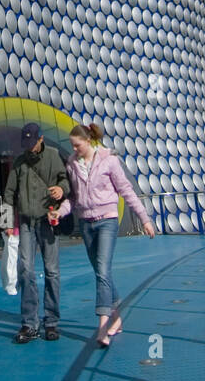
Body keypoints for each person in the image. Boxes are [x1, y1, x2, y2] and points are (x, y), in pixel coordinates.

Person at [55, 123, 155, 347]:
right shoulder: (72, 164)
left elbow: (127, 191)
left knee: (101, 271)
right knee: (103, 273)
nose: (74, 150)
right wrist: (60, 213)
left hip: (107, 221)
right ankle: (117, 316)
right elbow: (73, 199)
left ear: (88, 141)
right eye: (72, 146)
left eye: (77, 145)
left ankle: (102, 327)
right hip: (86, 224)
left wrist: (145, 220)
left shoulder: (109, 160)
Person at [3, 122, 69, 343]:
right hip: (26, 222)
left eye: (32, 143)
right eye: (26, 143)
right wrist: (5, 222)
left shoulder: (53, 156)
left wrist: (62, 190)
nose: (29, 147)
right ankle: (30, 323)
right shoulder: (20, 163)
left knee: (52, 271)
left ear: (41, 139)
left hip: (47, 220)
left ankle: (51, 322)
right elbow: (9, 192)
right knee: (26, 270)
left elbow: (65, 181)